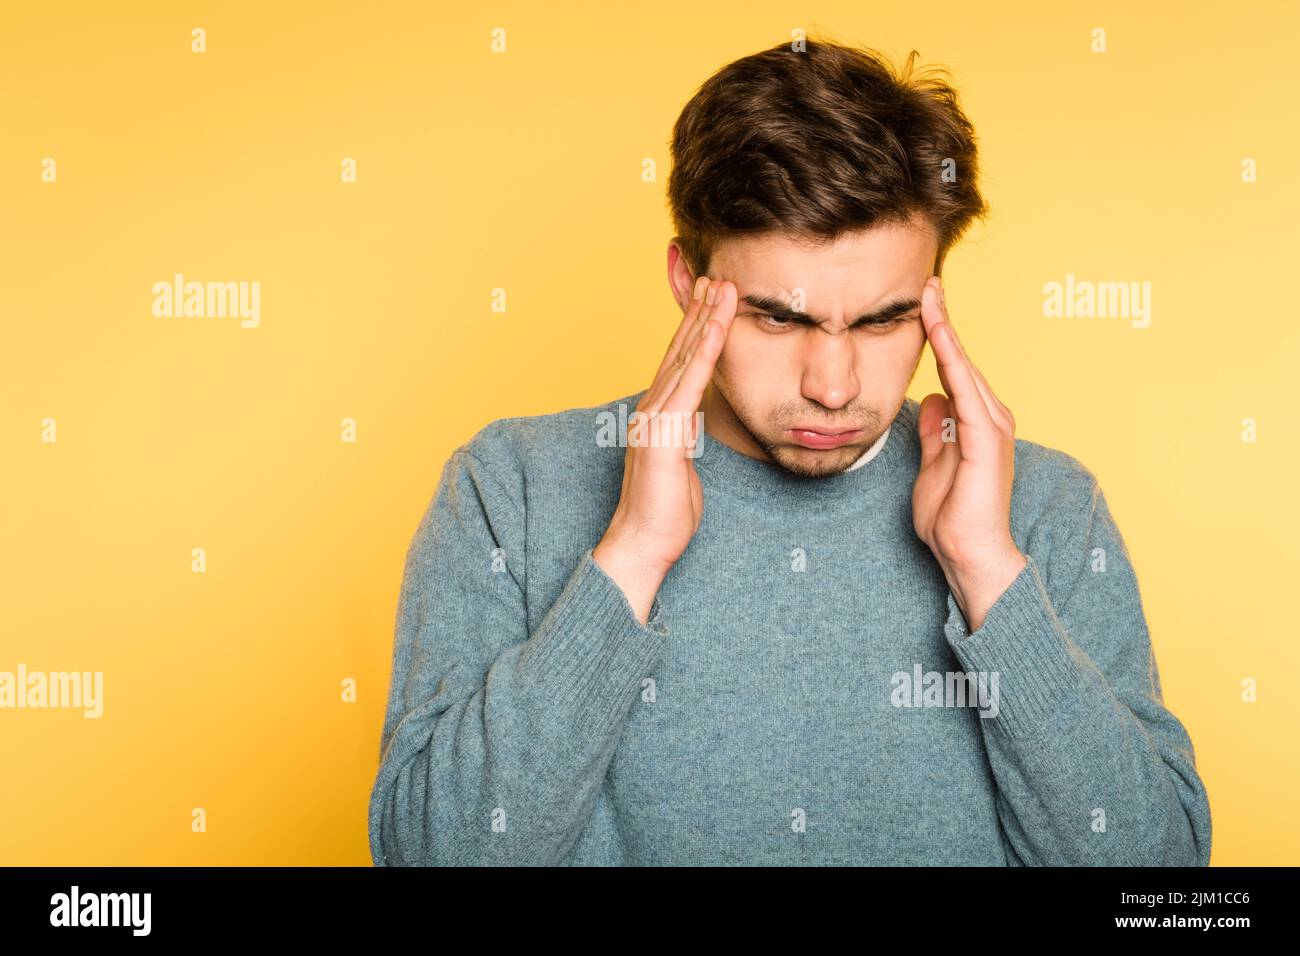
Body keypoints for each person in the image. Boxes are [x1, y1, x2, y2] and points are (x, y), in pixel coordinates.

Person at [367, 37, 1212, 866]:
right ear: (687, 285)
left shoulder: (1046, 505)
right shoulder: (511, 486)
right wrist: (630, 556)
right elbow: (431, 855)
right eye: (780, 317)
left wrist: (988, 569)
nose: (835, 387)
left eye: (885, 320)